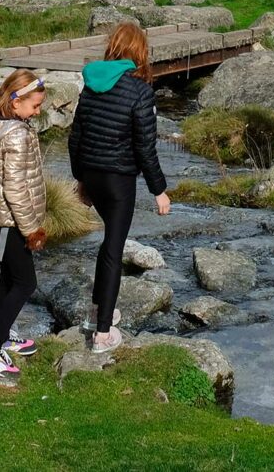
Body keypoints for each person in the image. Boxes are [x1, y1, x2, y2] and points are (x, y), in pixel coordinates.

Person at [68, 20, 171, 352]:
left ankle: (98, 310)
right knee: (114, 248)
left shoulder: (91, 83)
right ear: (139, 52)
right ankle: (102, 334)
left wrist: (81, 180)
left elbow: (75, 138)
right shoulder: (140, 90)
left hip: (93, 176)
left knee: (109, 243)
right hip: (119, 181)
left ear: (112, 47)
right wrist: (159, 190)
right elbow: (145, 147)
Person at [0, 68, 49, 377]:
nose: (38, 111)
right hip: (10, 220)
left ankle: (5, 334)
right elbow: (15, 189)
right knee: (26, 283)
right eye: (34, 106)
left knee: (9, 277)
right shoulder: (15, 134)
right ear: (15, 102)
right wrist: (31, 229)